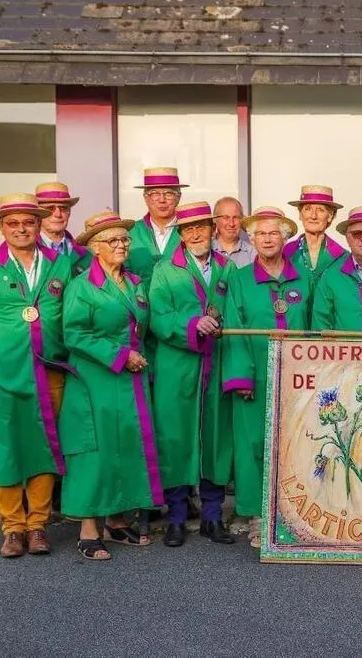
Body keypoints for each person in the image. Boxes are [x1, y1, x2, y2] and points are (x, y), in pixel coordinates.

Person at [0, 194, 72, 558]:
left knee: (43, 443)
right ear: (2, 227)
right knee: (6, 445)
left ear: (39, 224)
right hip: (3, 373)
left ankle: (38, 524)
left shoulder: (59, 264)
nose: (21, 229)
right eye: (13, 223)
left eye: (28, 222)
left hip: (48, 367)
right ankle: (12, 527)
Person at [58, 211, 164, 561]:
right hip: (96, 378)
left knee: (126, 445)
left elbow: (141, 328)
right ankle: (89, 528)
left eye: (124, 240)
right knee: (97, 450)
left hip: (129, 380)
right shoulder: (82, 286)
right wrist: (120, 355)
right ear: (95, 248)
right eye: (113, 241)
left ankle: (117, 521)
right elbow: (74, 334)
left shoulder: (134, 283)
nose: (121, 245)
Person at [149, 201, 237, 547]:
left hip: (216, 362)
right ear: (181, 235)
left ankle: (213, 516)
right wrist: (190, 325)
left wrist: (223, 325)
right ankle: (176, 518)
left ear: (213, 229)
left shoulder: (228, 268)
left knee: (216, 437)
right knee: (175, 437)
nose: (196, 233)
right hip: (178, 364)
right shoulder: (164, 271)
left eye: (202, 226)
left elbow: (237, 311)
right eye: (188, 229)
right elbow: (156, 317)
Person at [222, 207, 310, 548]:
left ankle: (294, 512)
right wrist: (242, 376)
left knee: (299, 443)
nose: (268, 239)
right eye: (261, 234)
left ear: (285, 237)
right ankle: (259, 516)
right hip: (256, 374)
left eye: (274, 233)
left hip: (300, 378)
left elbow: (317, 327)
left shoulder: (304, 277)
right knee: (254, 444)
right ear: (252, 239)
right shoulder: (240, 280)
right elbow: (234, 327)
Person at [127, 167, 189, 288]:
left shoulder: (190, 233)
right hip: (139, 305)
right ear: (146, 198)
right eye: (155, 194)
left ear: (179, 197)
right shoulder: (130, 233)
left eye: (168, 193)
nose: (162, 200)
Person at [285, 185, 346, 285]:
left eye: (320, 210)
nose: (313, 216)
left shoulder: (342, 256)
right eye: (308, 209)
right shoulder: (286, 252)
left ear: (330, 216)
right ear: (300, 214)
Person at [35, 181, 91, 274]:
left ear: (69, 212)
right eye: (50, 208)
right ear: (38, 213)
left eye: (63, 208)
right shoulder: (27, 250)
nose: (58, 214)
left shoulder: (87, 254)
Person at [212, 196, 257, 268]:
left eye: (236, 217)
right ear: (215, 220)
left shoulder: (253, 254)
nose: (231, 224)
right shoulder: (206, 250)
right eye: (226, 217)